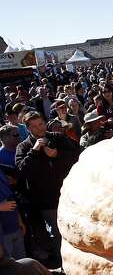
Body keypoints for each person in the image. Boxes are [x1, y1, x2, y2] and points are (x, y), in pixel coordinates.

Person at [16, 111, 80, 263]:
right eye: (35, 126)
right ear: (28, 128)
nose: (40, 128)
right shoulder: (24, 147)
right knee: (57, 234)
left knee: (75, 229)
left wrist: (57, 154)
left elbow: (77, 153)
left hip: (69, 194)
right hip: (46, 201)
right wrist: (34, 151)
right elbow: (22, 171)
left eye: (41, 124)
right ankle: (64, 265)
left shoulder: (57, 137)